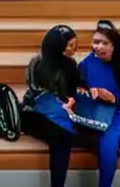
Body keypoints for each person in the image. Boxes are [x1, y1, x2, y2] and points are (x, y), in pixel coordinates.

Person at [76, 21, 120, 187]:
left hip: (118, 112)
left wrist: (113, 99)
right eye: (96, 42)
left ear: (114, 46)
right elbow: (77, 86)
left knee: (108, 145)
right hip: (93, 108)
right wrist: (86, 92)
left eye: (104, 43)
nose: (99, 47)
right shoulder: (87, 63)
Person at [21, 25, 81, 187]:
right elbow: (37, 92)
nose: (73, 50)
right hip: (35, 112)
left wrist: (70, 99)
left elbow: (72, 91)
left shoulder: (71, 65)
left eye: (75, 45)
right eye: (69, 46)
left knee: (67, 136)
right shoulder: (37, 63)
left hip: (61, 110)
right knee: (63, 138)